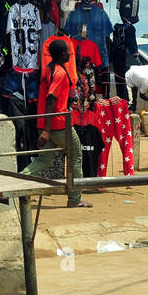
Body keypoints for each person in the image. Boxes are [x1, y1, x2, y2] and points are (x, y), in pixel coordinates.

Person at [23, 38, 89, 207]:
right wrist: (47, 130)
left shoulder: (48, 68)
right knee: (76, 157)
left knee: (44, 160)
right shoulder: (59, 72)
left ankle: (15, 183)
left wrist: (45, 128)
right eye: (67, 51)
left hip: (45, 122)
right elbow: (51, 99)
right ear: (61, 55)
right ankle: (75, 199)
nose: (70, 53)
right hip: (58, 124)